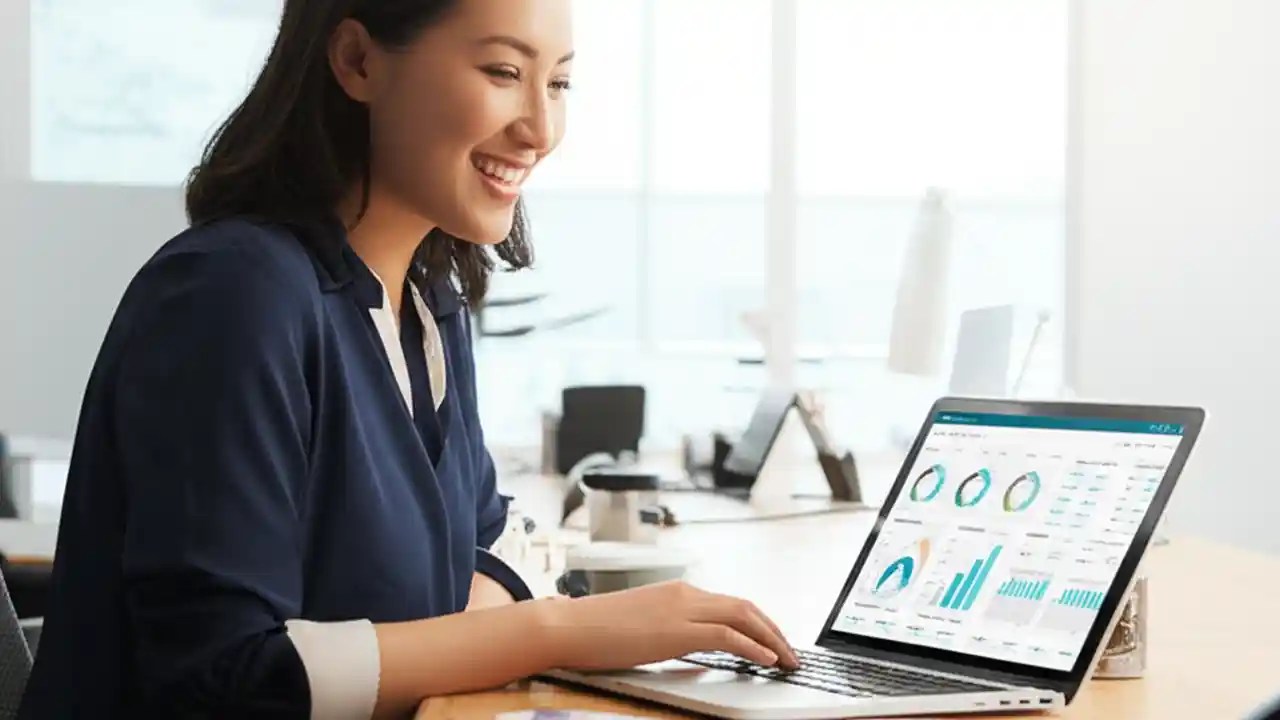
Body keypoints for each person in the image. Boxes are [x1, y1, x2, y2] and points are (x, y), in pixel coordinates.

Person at [18, 0, 799, 718]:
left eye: (559, 83)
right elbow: (227, 679)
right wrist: (560, 631)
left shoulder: (428, 299)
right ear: (358, 61)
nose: (541, 127)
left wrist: (505, 620)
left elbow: (493, 546)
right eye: (503, 72)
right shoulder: (234, 295)